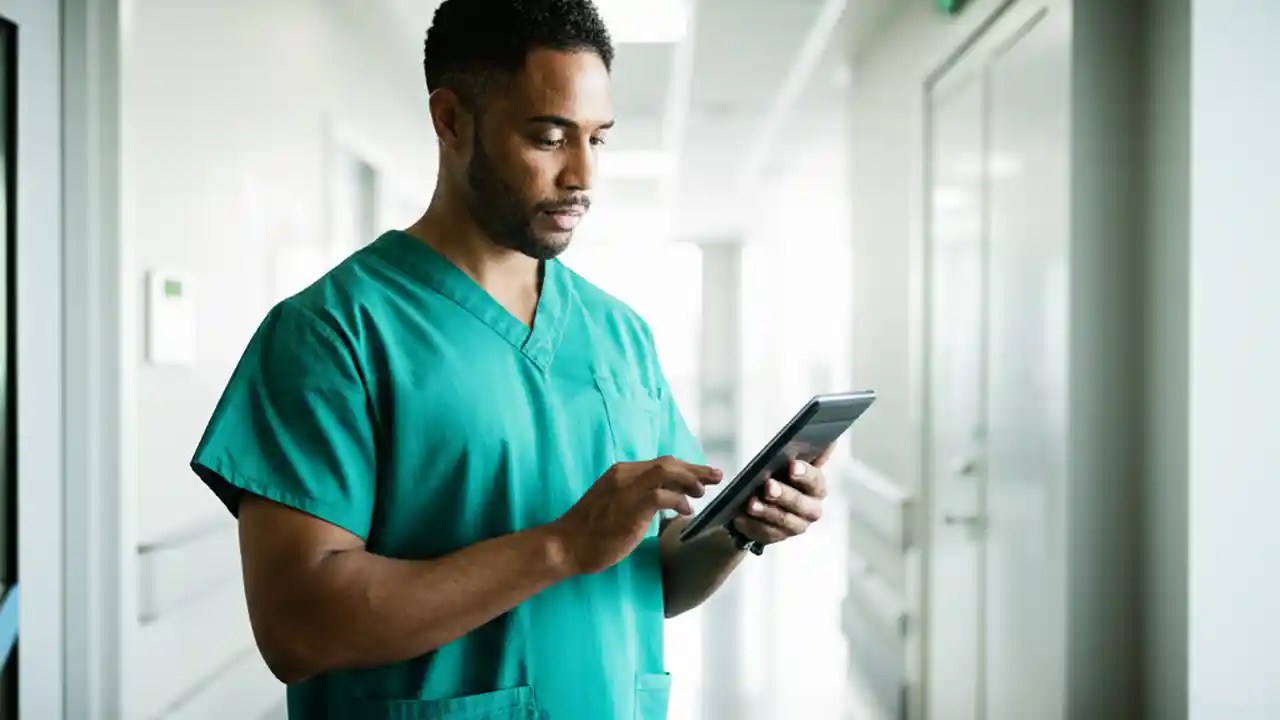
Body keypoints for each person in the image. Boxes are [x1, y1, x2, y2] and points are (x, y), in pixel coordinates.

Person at [190, 0, 831, 717]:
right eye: (549, 138)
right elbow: (298, 627)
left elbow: (651, 576)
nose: (582, 175)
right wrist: (560, 547)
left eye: (597, 139)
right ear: (452, 120)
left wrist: (740, 528)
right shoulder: (332, 333)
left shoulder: (620, 333)